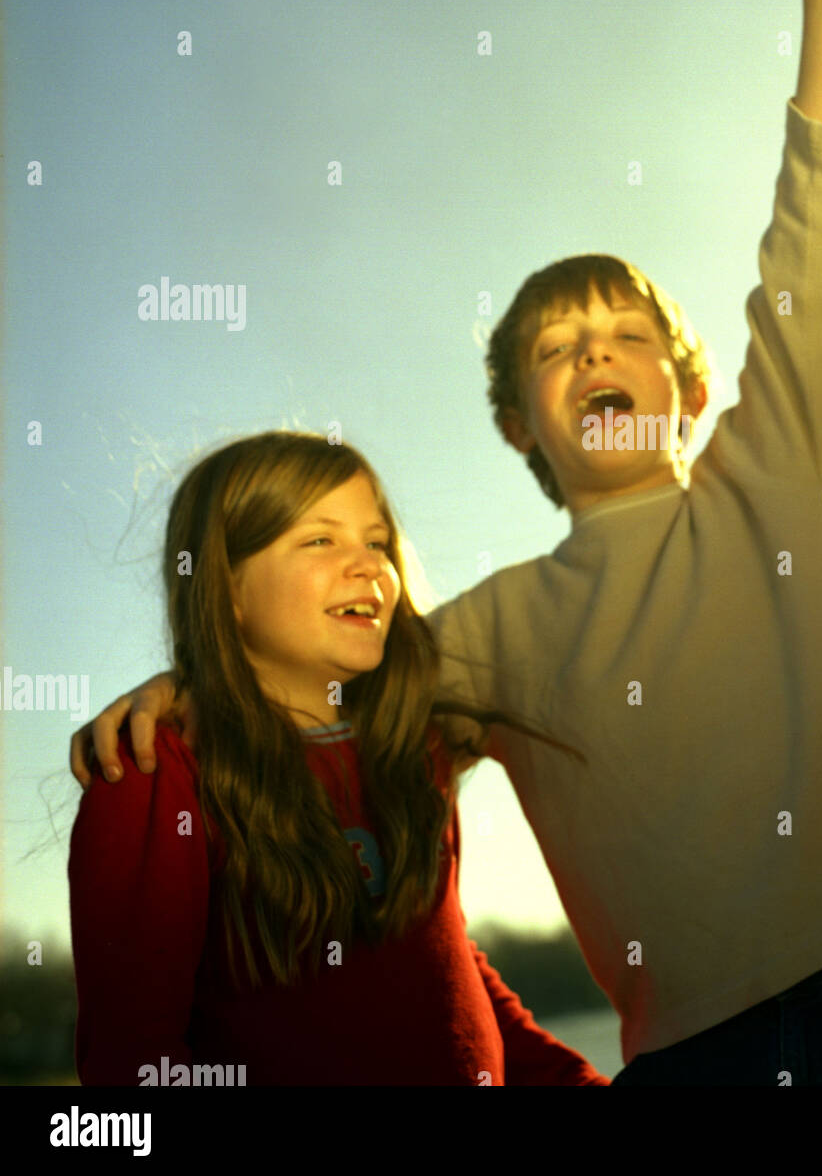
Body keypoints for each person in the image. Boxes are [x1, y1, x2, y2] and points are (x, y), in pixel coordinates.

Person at [73, 0, 822, 1085]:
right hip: (697, 1061)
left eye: (627, 337)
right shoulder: (488, 637)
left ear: (689, 390)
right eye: (558, 353)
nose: (596, 358)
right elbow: (323, 669)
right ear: (518, 424)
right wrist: (188, 688)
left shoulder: (767, 483)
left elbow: (819, 257)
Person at [68, 430, 608, 1086]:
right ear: (227, 589)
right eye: (320, 539)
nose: (368, 565)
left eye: (377, 542)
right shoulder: (156, 773)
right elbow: (133, 1056)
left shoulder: (414, 752)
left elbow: (445, 966)